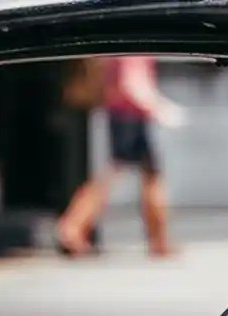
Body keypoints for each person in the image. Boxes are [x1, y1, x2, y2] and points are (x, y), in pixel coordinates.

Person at [58, 56, 184, 257]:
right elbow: (132, 82)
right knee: (123, 174)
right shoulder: (136, 44)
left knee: (146, 174)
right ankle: (71, 227)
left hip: (125, 113)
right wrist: (159, 108)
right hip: (130, 114)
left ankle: (159, 240)